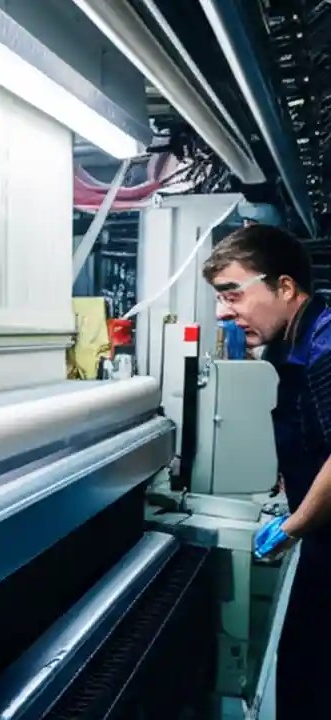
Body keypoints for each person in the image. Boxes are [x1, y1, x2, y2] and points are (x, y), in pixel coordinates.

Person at [203, 223, 331, 717]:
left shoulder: (325, 346)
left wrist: (292, 528)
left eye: (232, 294)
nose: (222, 312)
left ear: (284, 287)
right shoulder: (289, 344)